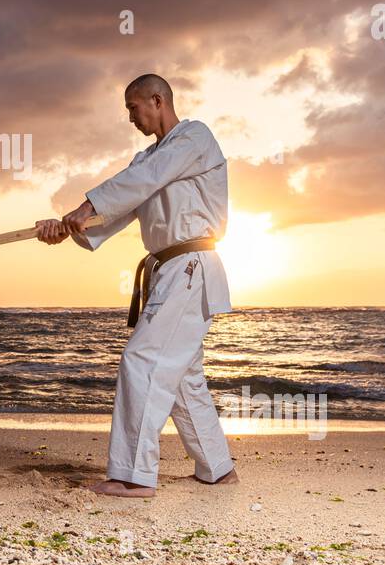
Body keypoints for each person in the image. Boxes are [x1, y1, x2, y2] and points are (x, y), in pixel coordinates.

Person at [36, 73, 238, 497]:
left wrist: (87, 204)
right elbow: (117, 209)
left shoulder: (193, 138)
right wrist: (66, 226)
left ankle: (132, 475)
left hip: (190, 266)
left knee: (142, 361)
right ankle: (217, 469)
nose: (130, 117)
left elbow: (139, 183)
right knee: (183, 378)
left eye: (133, 108)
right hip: (170, 271)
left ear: (158, 100)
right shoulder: (147, 159)